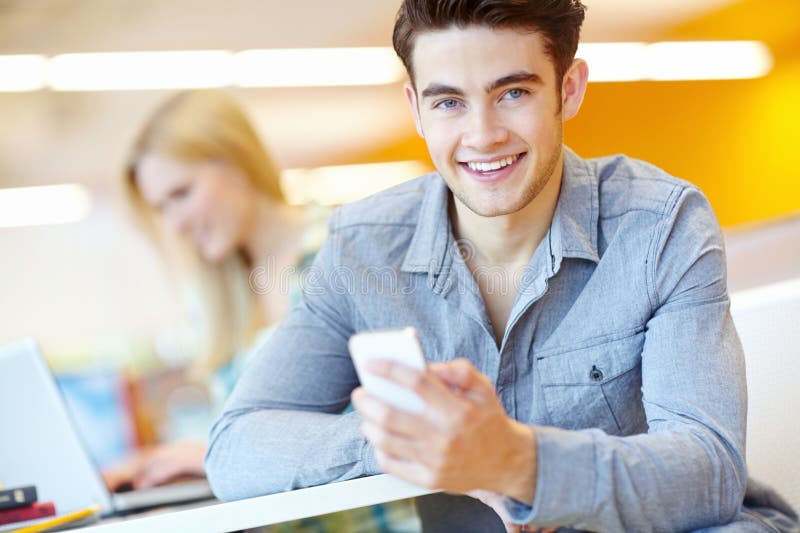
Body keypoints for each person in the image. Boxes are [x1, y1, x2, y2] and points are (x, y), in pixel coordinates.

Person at [206, 2, 799, 532]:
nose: (482, 135)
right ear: (416, 109)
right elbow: (236, 445)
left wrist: (517, 461)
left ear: (568, 89)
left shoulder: (660, 224)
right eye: (448, 102)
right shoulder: (361, 250)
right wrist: (422, 438)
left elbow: (709, 471)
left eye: (513, 93)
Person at [105, 90, 416, 531]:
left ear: (235, 161)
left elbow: (401, 412)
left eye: (181, 193)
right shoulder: (212, 302)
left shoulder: (348, 252)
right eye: (161, 208)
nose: (174, 224)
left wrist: (216, 456)